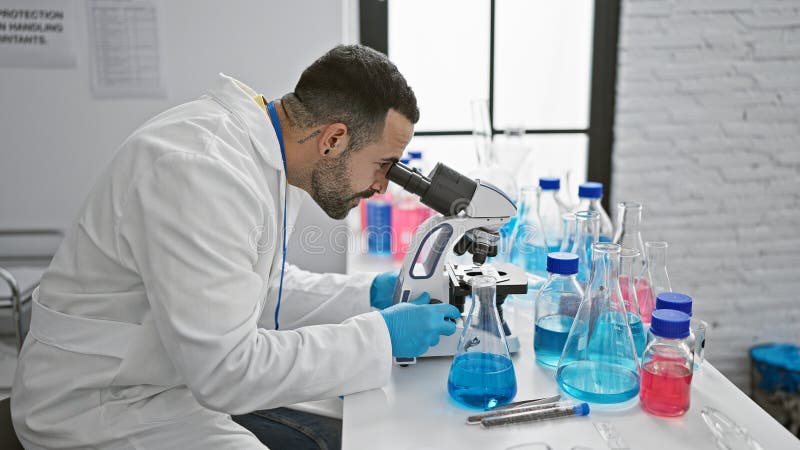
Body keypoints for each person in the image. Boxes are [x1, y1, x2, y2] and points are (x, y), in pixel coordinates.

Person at [11, 44, 460, 449]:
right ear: (334, 139)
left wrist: (366, 295)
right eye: (383, 166)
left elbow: (255, 290)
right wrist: (382, 336)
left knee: (345, 432)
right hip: (101, 409)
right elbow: (229, 371)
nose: (382, 186)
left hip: (168, 380)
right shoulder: (201, 171)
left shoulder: (264, 153)